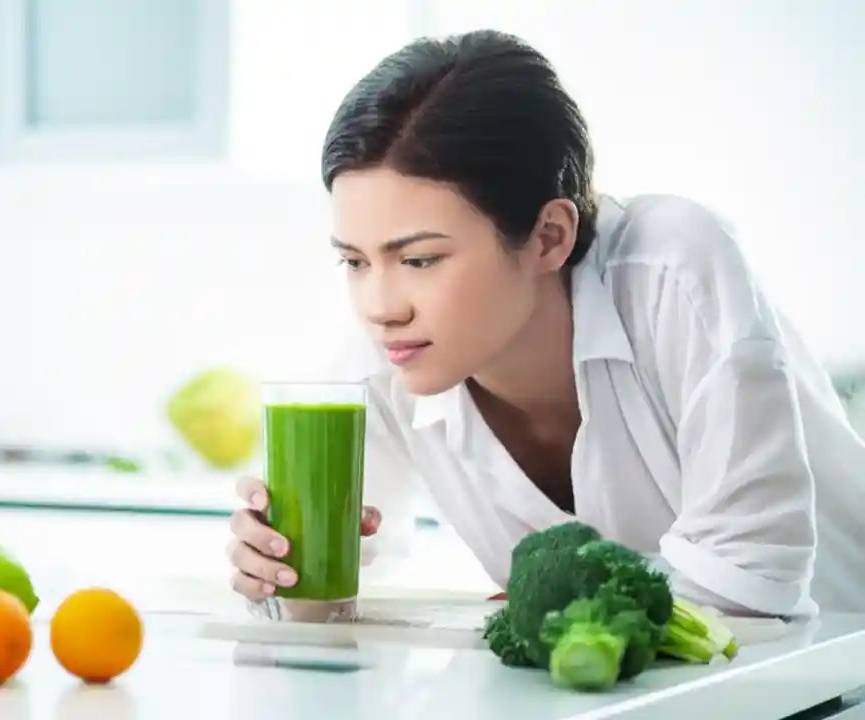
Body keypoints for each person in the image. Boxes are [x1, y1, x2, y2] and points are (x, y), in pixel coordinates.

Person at [226, 30, 865, 618]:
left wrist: (539, 602)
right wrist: (273, 570)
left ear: (549, 236)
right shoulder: (384, 359)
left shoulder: (672, 269)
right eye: (355, 261)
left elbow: (749, 583)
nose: (380, 305)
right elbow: (322, 605)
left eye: (419, 259)